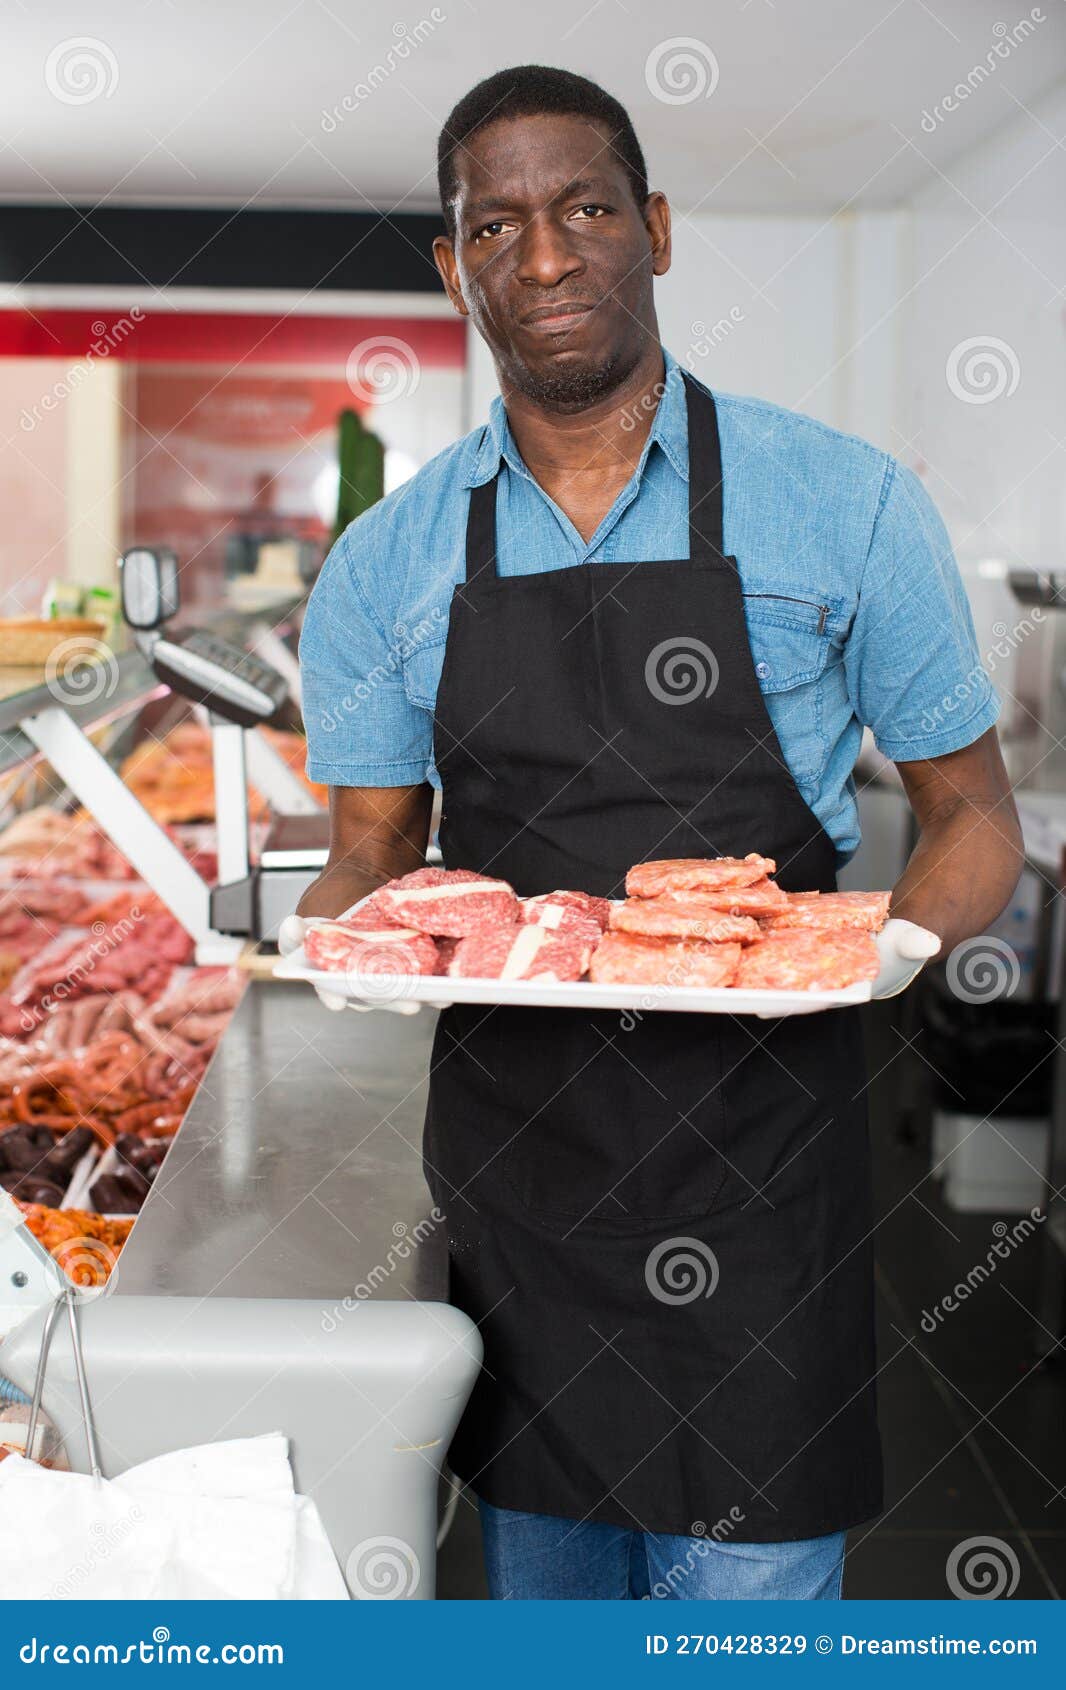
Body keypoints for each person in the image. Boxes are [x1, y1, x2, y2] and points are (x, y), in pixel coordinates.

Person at [288, 65, 1022, 1600]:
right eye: (496, 226)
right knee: (548, 1606)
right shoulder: (382, 561)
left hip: (759, 1167)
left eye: (586, 209)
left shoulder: (843, 502)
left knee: (747, 1618)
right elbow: (371, 846)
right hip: (520, 1175)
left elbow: (969, 816)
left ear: (657, 229)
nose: (546, 257)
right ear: (452, 266)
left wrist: (891, 942)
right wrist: (336, 934)